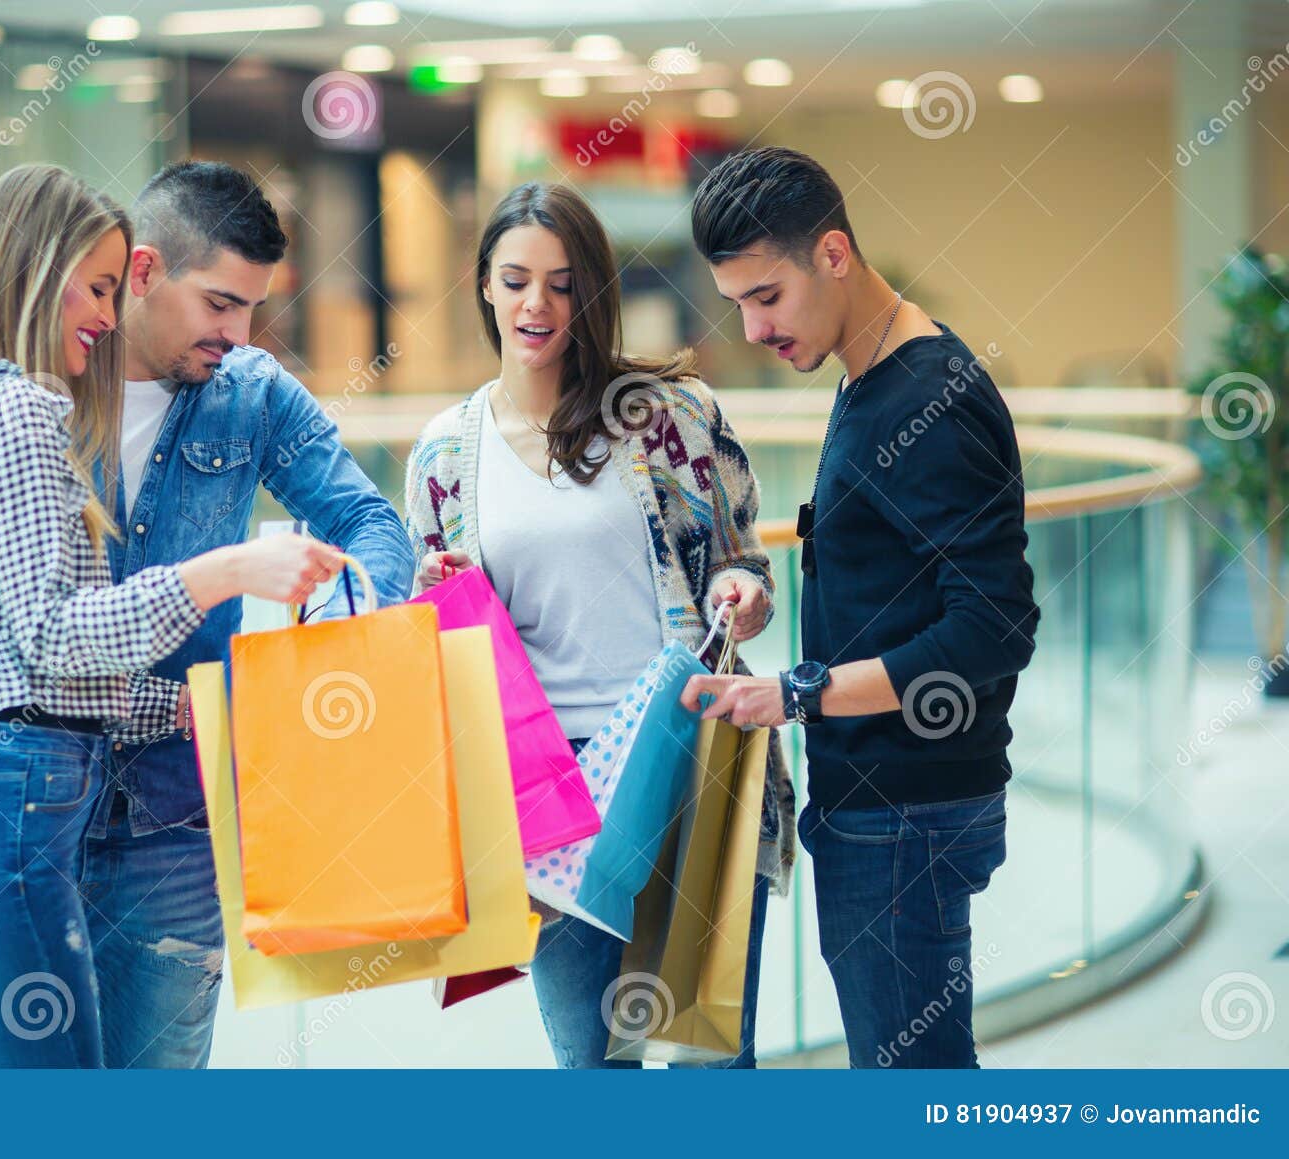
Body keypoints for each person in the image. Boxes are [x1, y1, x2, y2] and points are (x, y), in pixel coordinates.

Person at [0, 161, 414, 1067]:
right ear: (144, 272)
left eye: (252, 309)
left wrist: (336, 644)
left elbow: (369, 522)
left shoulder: (252, 393)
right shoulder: (36, 394)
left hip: (165, 817)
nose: (238, 335)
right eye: (218, 304)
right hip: (22, 794)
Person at [404, 181, 796, 1069]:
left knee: (712, 1059)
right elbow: (439, 646)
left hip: (687, 761)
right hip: (549, 795)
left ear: (593, 294)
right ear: (484, 288)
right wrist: (432, 591)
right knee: (591, 1063)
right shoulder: (443, 455)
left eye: (561, 283)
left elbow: (747, 568)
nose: (536, 305)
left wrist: (740, 594)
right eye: (514, 281)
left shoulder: (668, 418)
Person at [683, 146, 1039, 1068]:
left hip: (902, 816)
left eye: (768, 297)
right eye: (738, 306)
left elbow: (995, 625)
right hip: (891, 805)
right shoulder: (870, 368)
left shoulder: (921, 397)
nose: (755, 330)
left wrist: (799, 692)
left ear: (833, 254)